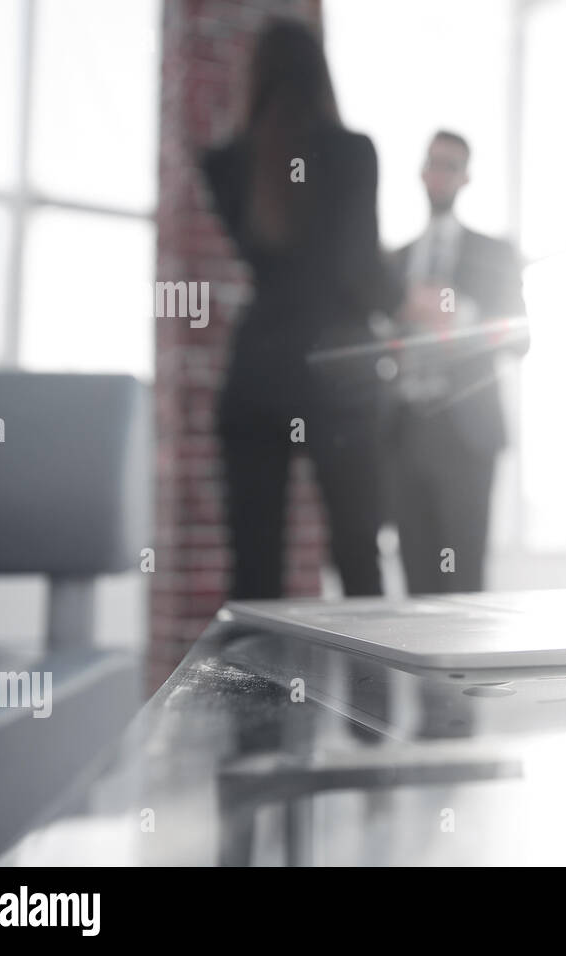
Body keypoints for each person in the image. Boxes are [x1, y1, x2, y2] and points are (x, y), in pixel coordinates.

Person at [201, 19, 404, 599]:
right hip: (338, 377)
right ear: (322, 73)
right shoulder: (352, 153)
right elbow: (362, 276)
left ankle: (249, 694)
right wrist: (401, 294)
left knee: (252, 573)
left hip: (255, 376)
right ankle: (369, 693)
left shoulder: (226, 164)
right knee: (359, 562)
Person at [392, 130, 528, 594]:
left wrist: (462, 316)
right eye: (434, 163)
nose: (440, 173)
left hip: (466, 433)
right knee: (416, 586)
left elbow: (520, 336)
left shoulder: (494, 253)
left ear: (465, 176)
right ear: (421, 172)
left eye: (451, 165)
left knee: (464, 583)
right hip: (405, 432)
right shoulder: (395, 261)